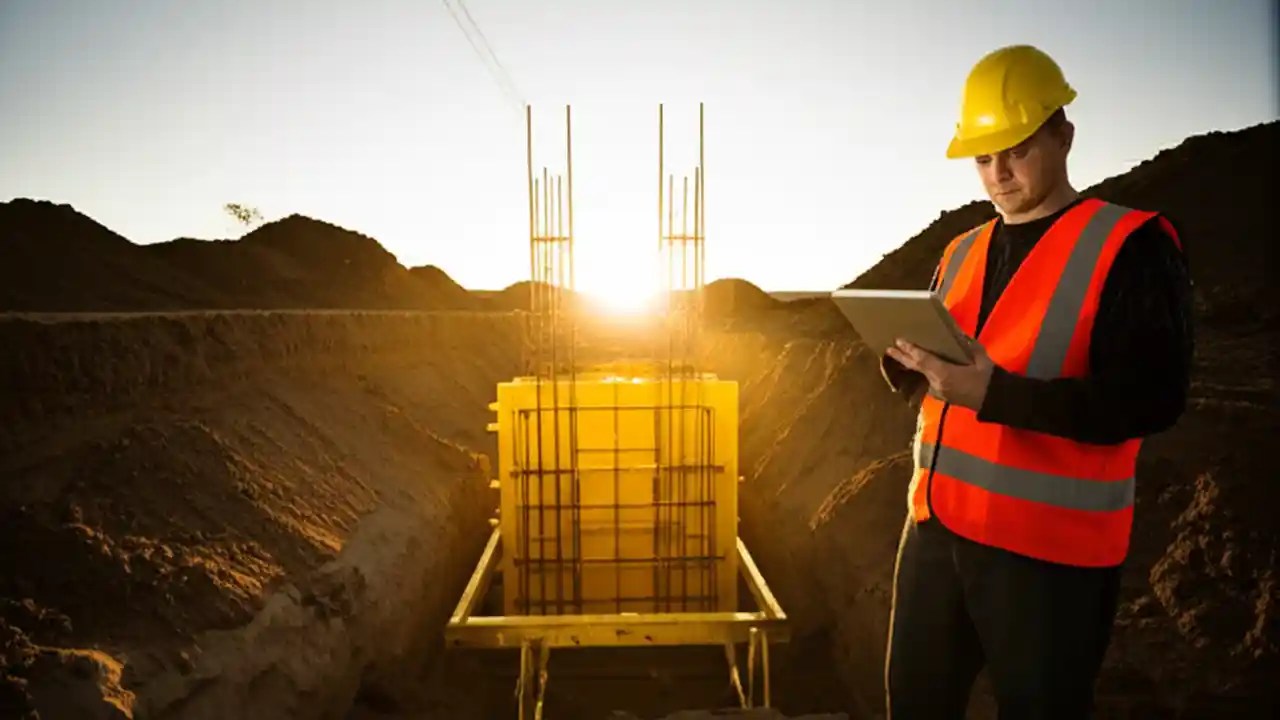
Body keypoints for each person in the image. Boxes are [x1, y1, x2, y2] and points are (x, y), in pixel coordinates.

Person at [878, 44, 1194, 718]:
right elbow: (951, 374)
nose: (998, 174)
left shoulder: (1131, 247)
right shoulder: (960, 251)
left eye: (1015, 151)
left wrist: (995, 397)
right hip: (935, 534)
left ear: (1063, 134)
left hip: (1049, 559)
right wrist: (907, 363)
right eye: (984, 158)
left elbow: (1152, 399)